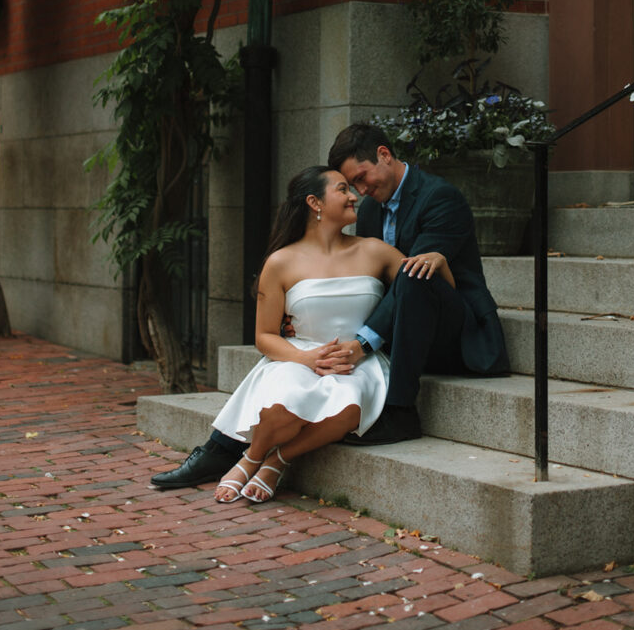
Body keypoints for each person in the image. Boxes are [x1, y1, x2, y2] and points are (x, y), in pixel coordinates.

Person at [151, 163, 455, 496]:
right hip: (300, 355)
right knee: (281, 405)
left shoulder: (375, 250)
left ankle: (275, 461)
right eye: (342, 189)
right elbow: (264, 336)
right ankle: (250, 458)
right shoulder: (280, 262)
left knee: (349, 406)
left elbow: (428, 295)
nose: (354, 196)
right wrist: (307, 359)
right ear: (315, 203)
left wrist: (440, 262)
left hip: (359, 361)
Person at [321, 122, 510, 445]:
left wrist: (363, 343)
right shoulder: (369, 213)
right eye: (352, 185)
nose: (360, 191)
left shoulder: (440, 197)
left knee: (413, 271)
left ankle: (401, 412)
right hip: (408, 331)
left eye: (361, 178)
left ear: (384, 155)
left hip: (457, 332)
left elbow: (417, 275)